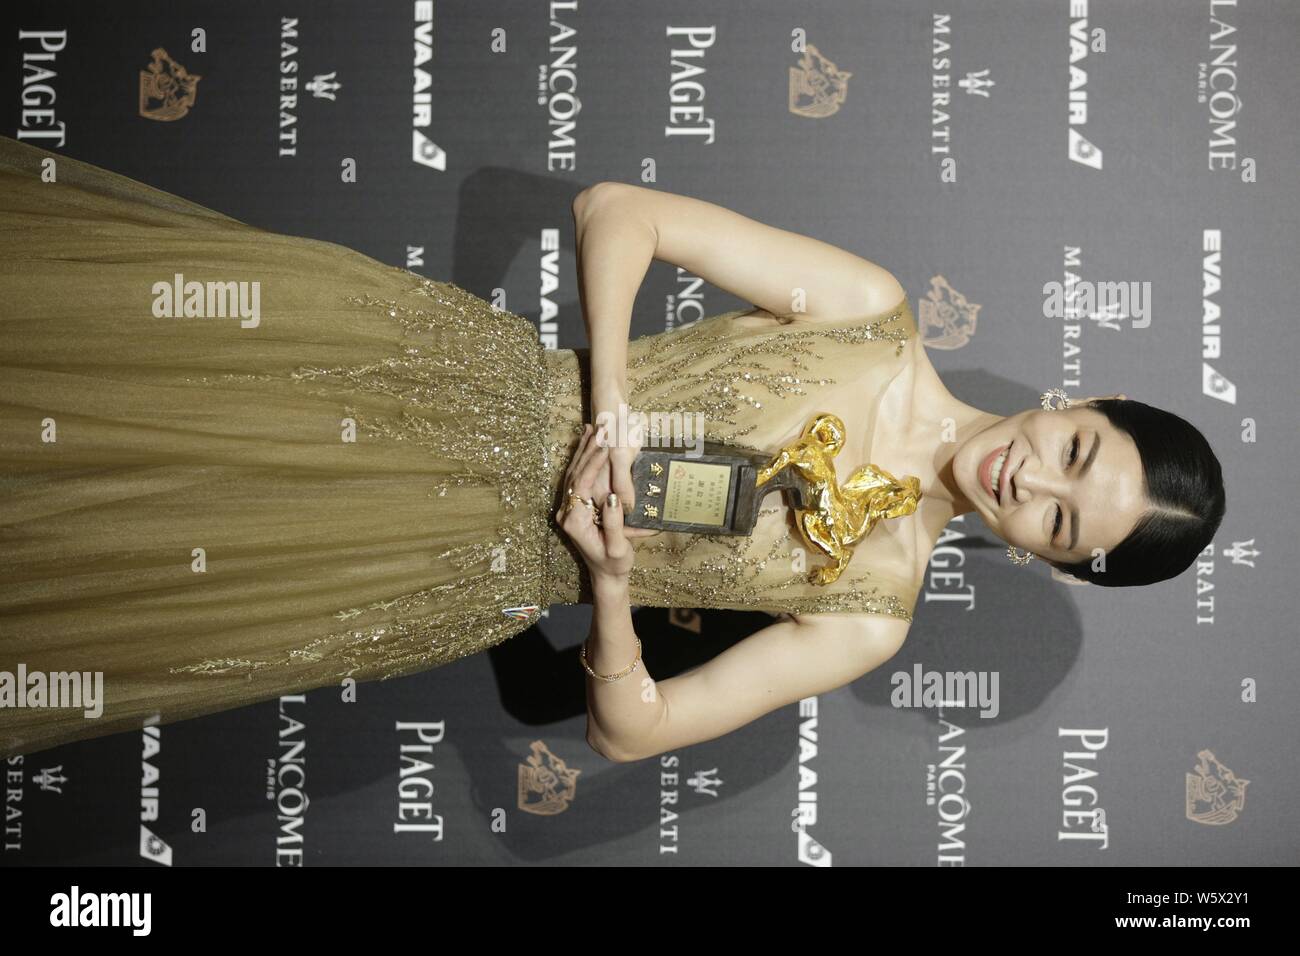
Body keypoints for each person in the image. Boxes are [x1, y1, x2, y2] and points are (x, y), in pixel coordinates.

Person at [0, 138, 1224, 762]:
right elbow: (616, 212)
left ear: (1048, 559)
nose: (1031, 479)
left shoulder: (873, 614)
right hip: (443, 377)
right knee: (106, 364)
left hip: (438, 561)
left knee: (128, 561)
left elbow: (630, 729)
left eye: (1060, 520)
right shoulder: (869, 312)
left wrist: (613, 582)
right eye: (1075, 450)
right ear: (1087, 395)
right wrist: (614, 406)